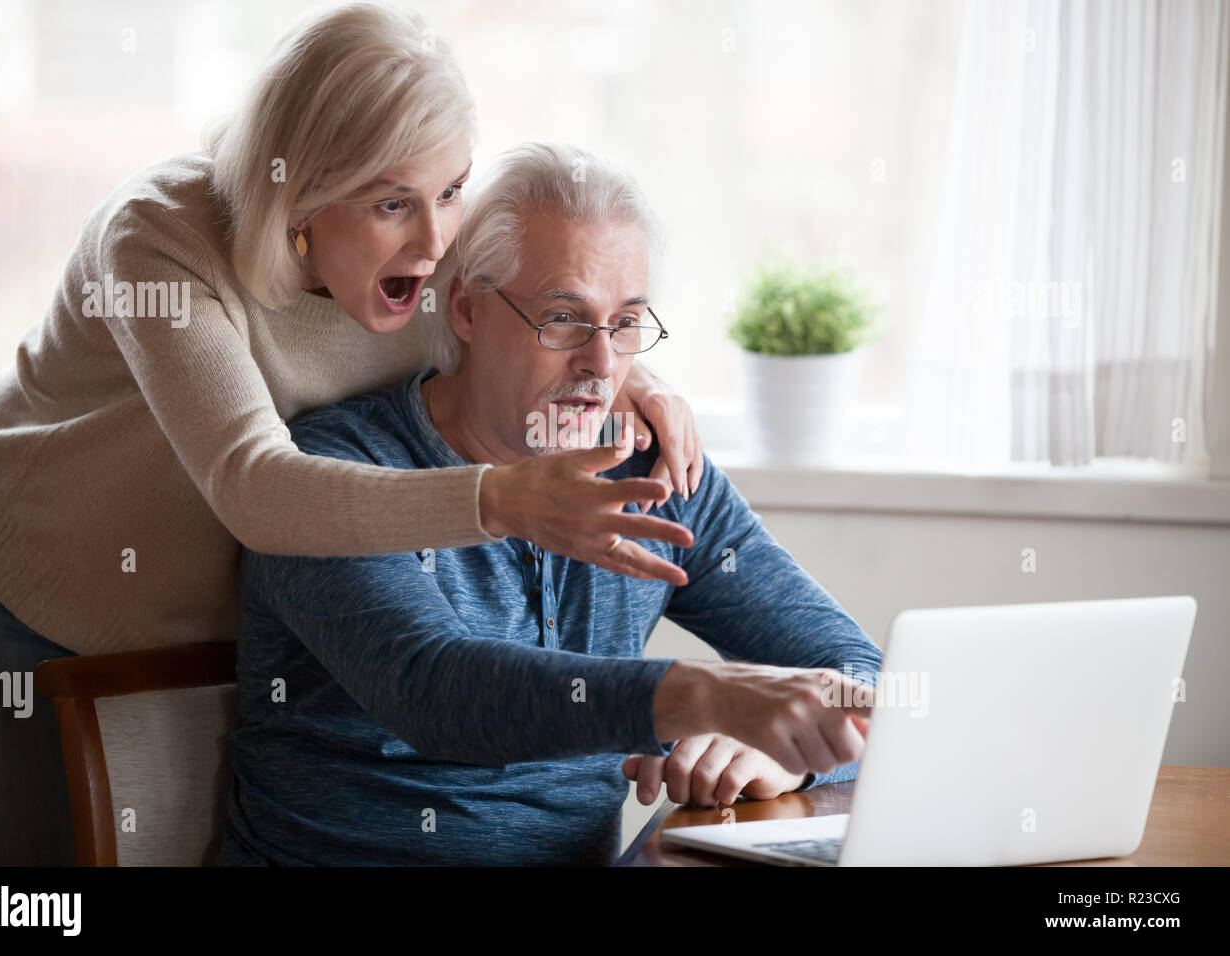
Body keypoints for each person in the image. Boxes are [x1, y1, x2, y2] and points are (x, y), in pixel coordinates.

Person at [0, 3, 702, 866]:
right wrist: (502, 501)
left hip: (209, 605)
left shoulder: (424, 238)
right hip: (23, 590)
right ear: (297, 192)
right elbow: (257, 486)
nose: (438, 236)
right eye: (391, 203)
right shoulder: (157, 236)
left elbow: (526, 296)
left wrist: (634, 372)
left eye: (452, 191)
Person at [218, 143, 882, 866]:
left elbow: (858, 676)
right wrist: (703, 695)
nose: (601, 366)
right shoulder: (334, 474)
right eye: (563, 317)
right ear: (468, 308)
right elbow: (435, 691)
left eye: (626, 323)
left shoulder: (654, 464)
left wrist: (796, 755)